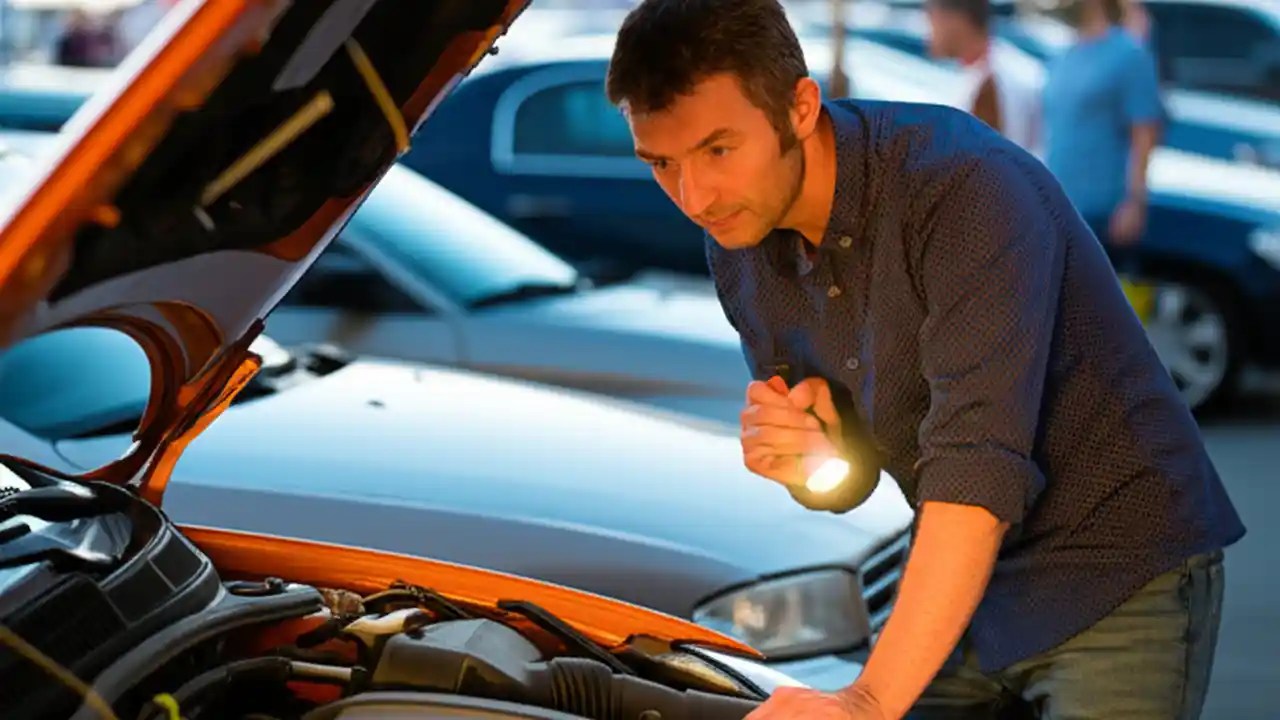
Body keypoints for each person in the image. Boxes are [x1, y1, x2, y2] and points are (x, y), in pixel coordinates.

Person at [604, 1, 1244, 718]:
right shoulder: (737, 241)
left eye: (719, 150)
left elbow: (978, 464)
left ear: (801, 106)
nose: (694, 196)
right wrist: (807, 462)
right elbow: (848, 471)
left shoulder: (962, 187)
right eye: (663, 163)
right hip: (961, 567)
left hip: (1116, 564)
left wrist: (869, 699)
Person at [1041, 0, 1163, 278]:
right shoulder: (1064, 55)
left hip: (1101, 211)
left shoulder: (1129, 54)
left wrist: (1135, 202)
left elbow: (1144, 131)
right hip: (1058, 207)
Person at [923, 0, 1042, 153]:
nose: (927, 32)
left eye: (931, 20)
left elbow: (983, 165)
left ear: (956, 21)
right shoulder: (988, 69)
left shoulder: (990, 84)